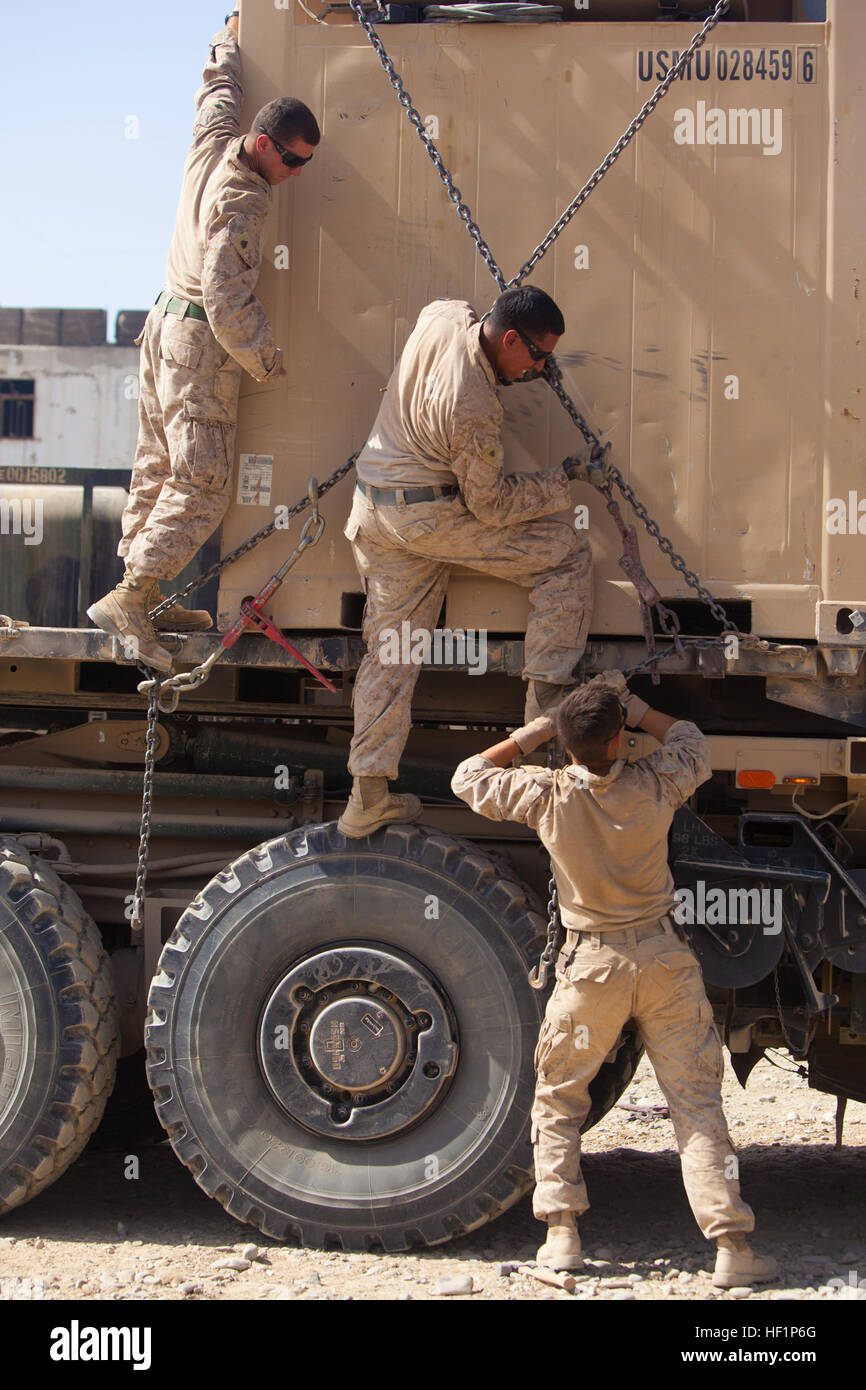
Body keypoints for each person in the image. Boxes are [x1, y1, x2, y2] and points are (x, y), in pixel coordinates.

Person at [450, 671, 779, 1288]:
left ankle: (561, 1237)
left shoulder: (548, 796)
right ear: (621, 739)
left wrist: (541, 728)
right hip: (663, 962)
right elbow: (691, 742)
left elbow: (467, 774)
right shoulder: (657, 784)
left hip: (590, 969)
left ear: (567, 744)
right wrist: (637, 708)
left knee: (559, 1100)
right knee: (698, 1108)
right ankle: (732, 1244)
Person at [88, 8, 320, 672]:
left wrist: (229, 34)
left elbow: (217, 91)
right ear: (270, 144)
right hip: (197, 336)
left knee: (159, 466)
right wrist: (267, 359)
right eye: (297, 161)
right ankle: (132, 597)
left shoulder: (216, 139)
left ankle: (144, 590)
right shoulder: (243, 200)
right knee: (204, 480)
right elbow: (227, 297)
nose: (298, 173)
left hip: (161, 321)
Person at [338, 287, 609, 838]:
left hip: (375, 511)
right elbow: (492, 506)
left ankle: (366, 795)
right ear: (509, 338)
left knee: (391, 652)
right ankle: (544, 724)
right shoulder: (474, 407)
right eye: (537, 356)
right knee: (566, 556)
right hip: (427, 520)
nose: (540, 368)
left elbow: (442, 311)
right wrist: (567, 479)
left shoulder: (444, 314)